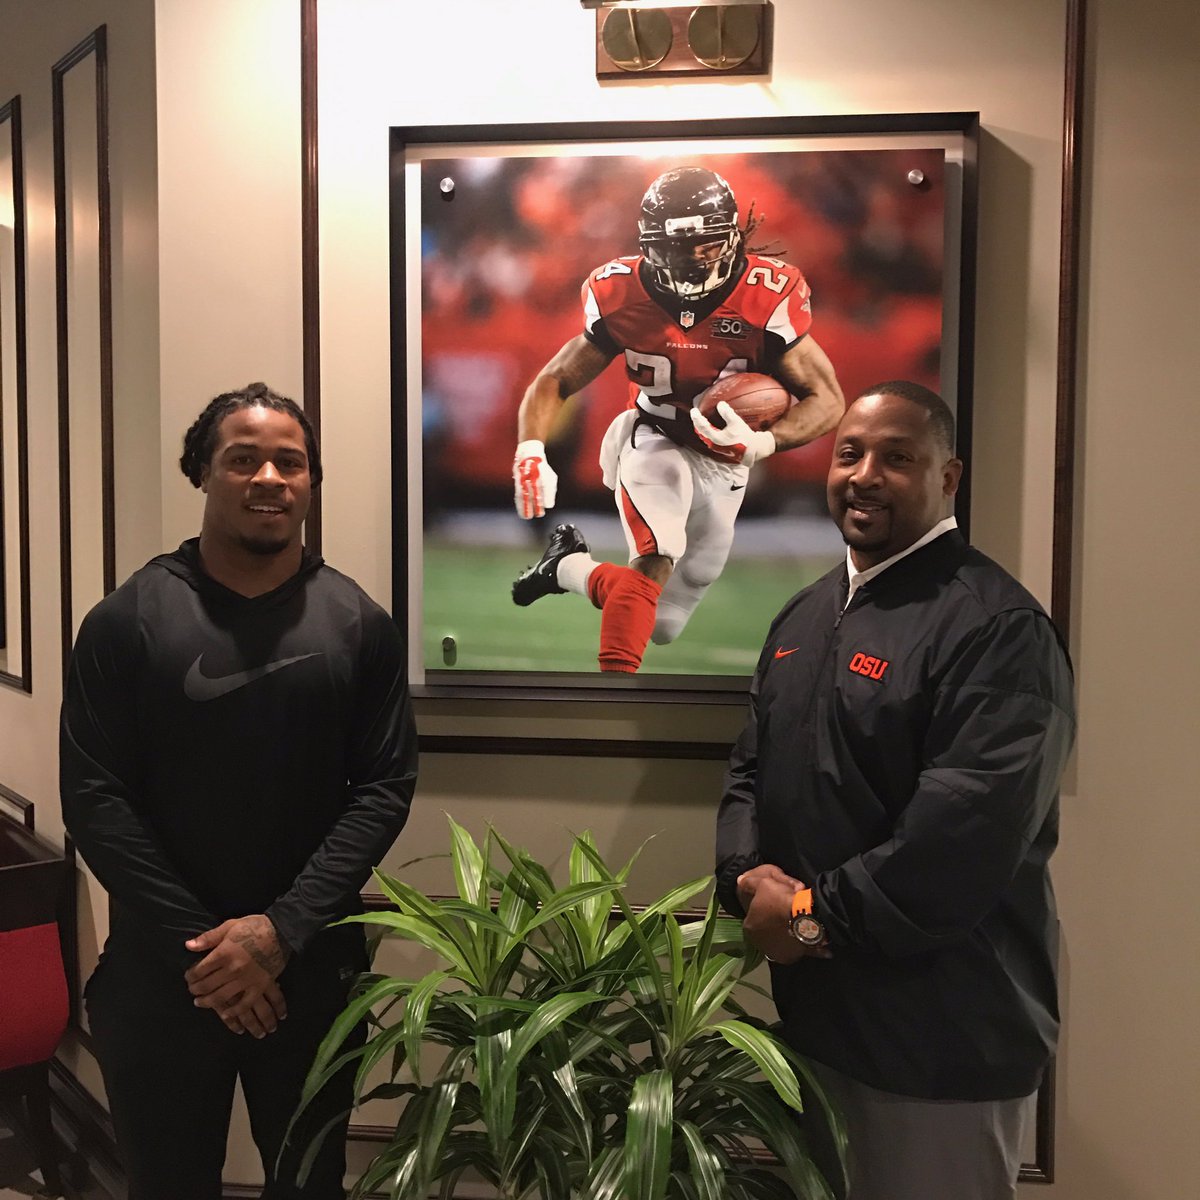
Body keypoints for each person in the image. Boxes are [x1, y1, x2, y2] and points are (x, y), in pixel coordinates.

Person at [715, 381, 1076, 1200]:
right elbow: (749, 768)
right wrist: (742, 878)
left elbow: (959, 843)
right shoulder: (805, 615)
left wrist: (804, 921)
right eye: (850, 453)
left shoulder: (996, 628)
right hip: (818, 1028)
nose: (865, 475)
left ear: (949, 477)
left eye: (897, 457)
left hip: (940, 1044)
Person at [60, 382, 418, 1199]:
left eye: (290, 463)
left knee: (311, 1185)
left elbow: (384, 787)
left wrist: (279, 933)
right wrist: (210, 950)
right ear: (202, 472)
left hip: (311, 973)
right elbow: (94, 796)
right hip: (162, 972)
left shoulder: (359, 624)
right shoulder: (127, 620)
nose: (269, 479)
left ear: (311, 481)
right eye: (243, 459)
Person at [510, 165, 844, 673]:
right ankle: (614, 694)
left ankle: (567, 567)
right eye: (673, 248)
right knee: (655, 557)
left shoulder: (767, 294)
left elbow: (827, 398)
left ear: (732, 235)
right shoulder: (620, 291)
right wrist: (531, 448)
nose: (690, 261)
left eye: (704, 245)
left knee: (662, 621)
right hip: (654, 434)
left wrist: (763, 444)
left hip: (725, 459)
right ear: (648, 244)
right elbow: (556, 379)